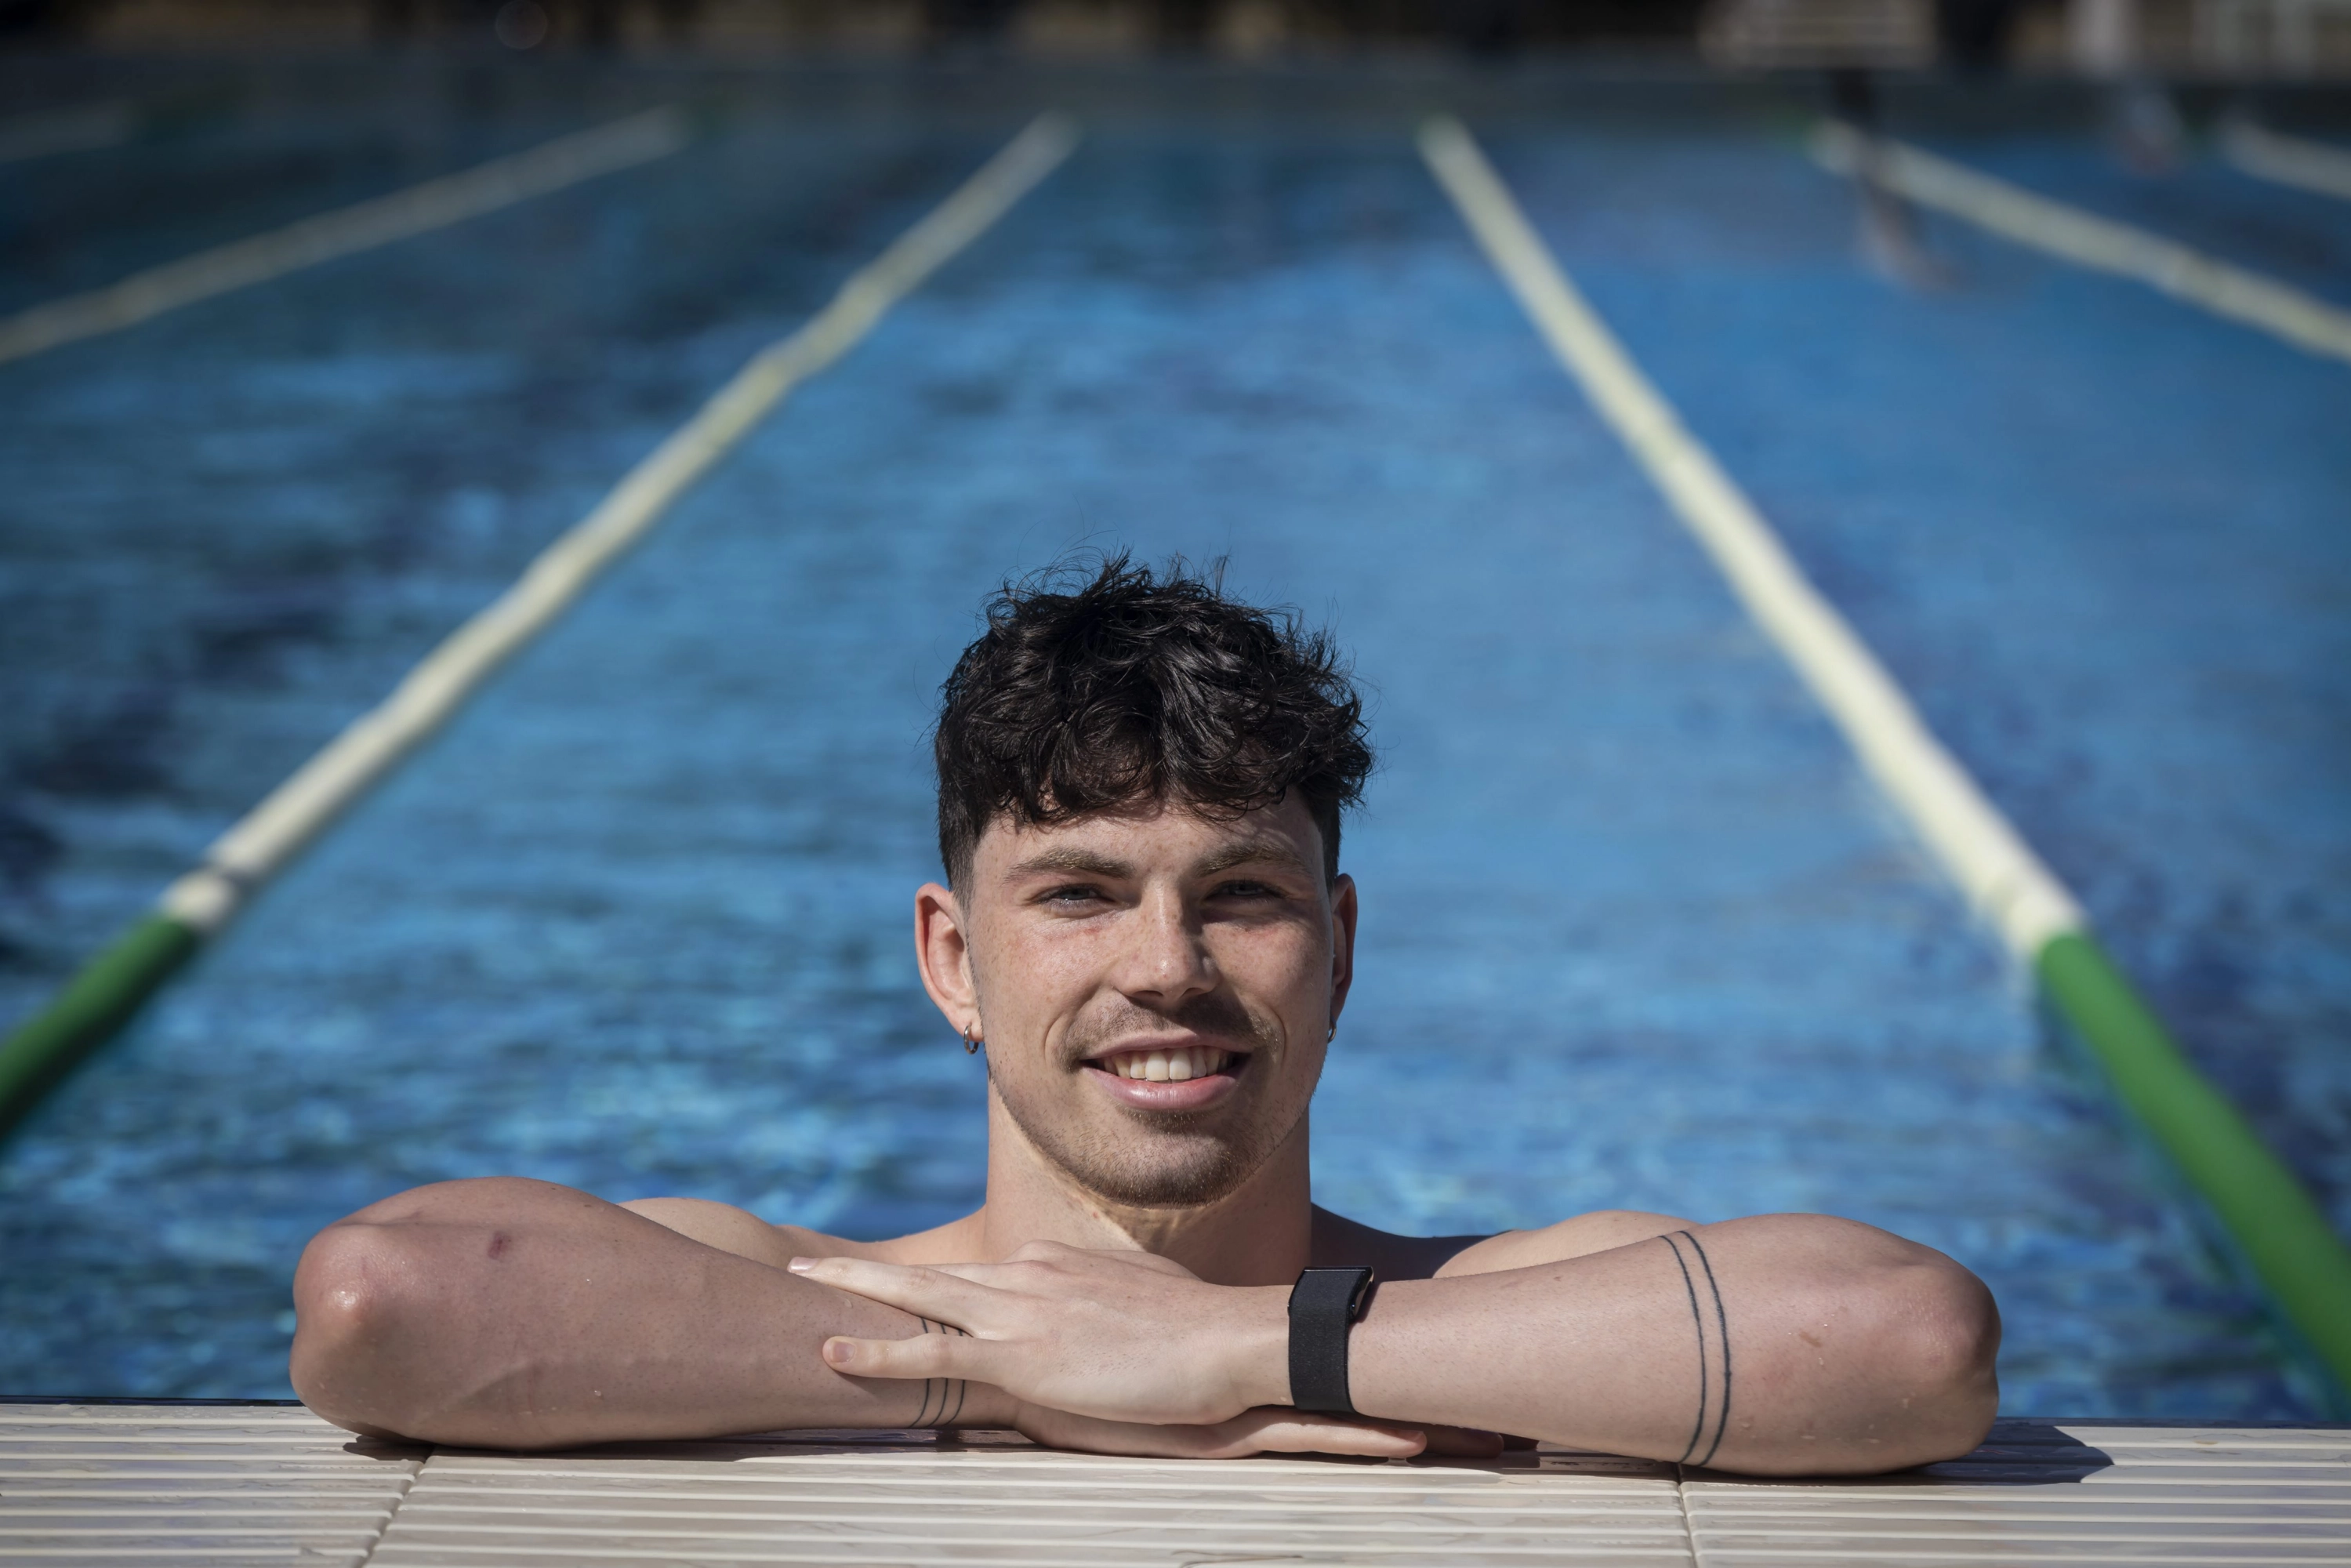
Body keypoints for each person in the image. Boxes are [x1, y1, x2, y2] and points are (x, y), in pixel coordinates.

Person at [291, 556, 1999, 1475]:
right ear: (954, 960)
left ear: (1334, 945)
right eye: (1082, 892)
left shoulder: (1476, 1305)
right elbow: (382, 1304)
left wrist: (1219, 1351)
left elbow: (1910, 1341)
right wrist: (999, 1380)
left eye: (1240, 894)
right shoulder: (818, 1297)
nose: (1166, 964)